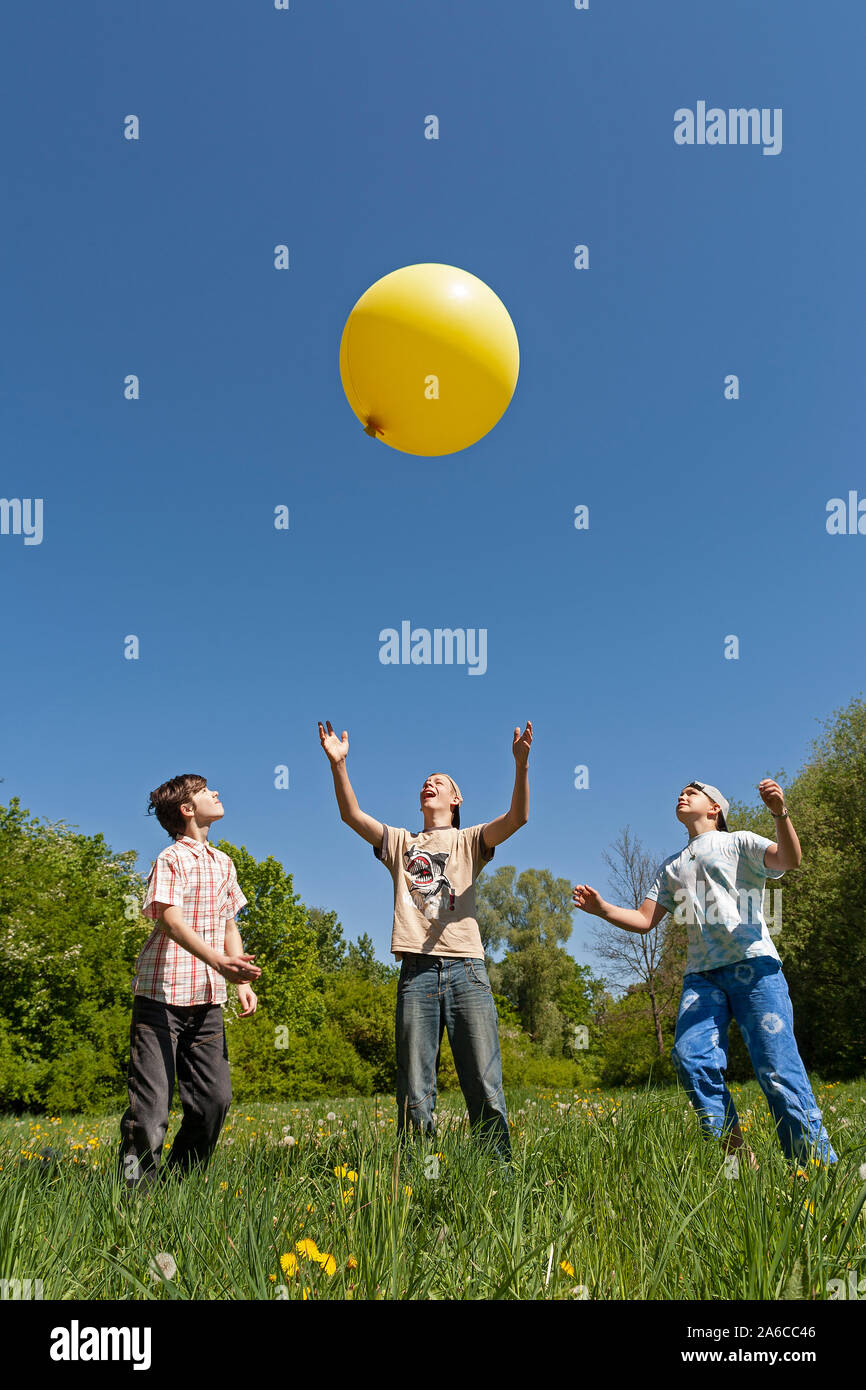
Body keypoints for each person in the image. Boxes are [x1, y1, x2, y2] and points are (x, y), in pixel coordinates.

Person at [573, 778, 836, 1166]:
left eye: (693, 792)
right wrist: (603, 909)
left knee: (776, 1068)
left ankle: (815, 1166)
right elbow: (646, 920)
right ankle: (738, 1159)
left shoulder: (738, 842)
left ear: (715, 808)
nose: (683, 794)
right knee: (690, 1057)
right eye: (681, 791)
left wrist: (780, 813)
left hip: (754, 965)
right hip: (703, 976)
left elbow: (789, 860)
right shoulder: (672, 865)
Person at [318, 719, 532, 1159]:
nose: (428, 784)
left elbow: (517, 818)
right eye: (425, 782)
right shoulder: (402, 842)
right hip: (415, 974)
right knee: (415, 1090)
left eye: (439, 782)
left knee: (485, 1085)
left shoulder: (470, 841)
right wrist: (339, 766)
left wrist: (521, 765)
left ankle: (499, 1176)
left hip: (466, 971)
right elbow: (351, 816)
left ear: (456, 800)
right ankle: (420, 1178)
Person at [118, 774, 261, 1189]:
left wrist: (239, 980)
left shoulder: (224, 863)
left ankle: (178, 1185)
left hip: (207, 1002)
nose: (216, 793)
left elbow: (228, 923)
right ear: (187, 809)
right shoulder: (170, 859)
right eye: (205, 791)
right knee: (150, 1111)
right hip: (160, 999)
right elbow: (171, 919)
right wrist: (219, 961)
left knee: (214, 1101)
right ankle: (135, 1196)